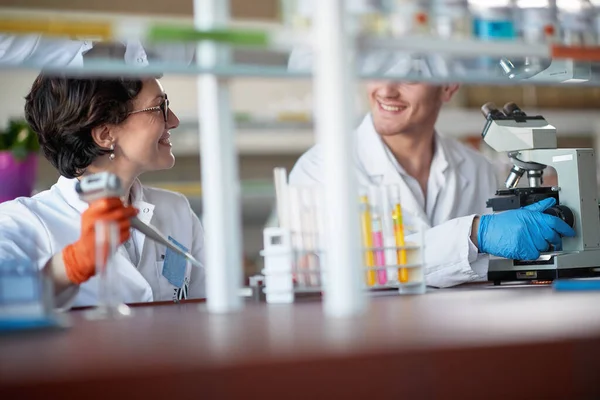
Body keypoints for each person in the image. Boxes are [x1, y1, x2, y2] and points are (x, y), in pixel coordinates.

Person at [288, 60, 575, 287]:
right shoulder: (321, 168)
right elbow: (334, 270)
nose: (386, 90)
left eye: (409, 76)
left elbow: (495, 268)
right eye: (376, 71)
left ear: (448, 86)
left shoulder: (476, 168)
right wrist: (475, 234)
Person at [0, 71, 205, 309]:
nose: (173, 120)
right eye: (159, 107)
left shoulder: (176, 210)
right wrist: (69, 265)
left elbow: (208, 307)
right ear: (105, 134)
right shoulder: (20, 221)